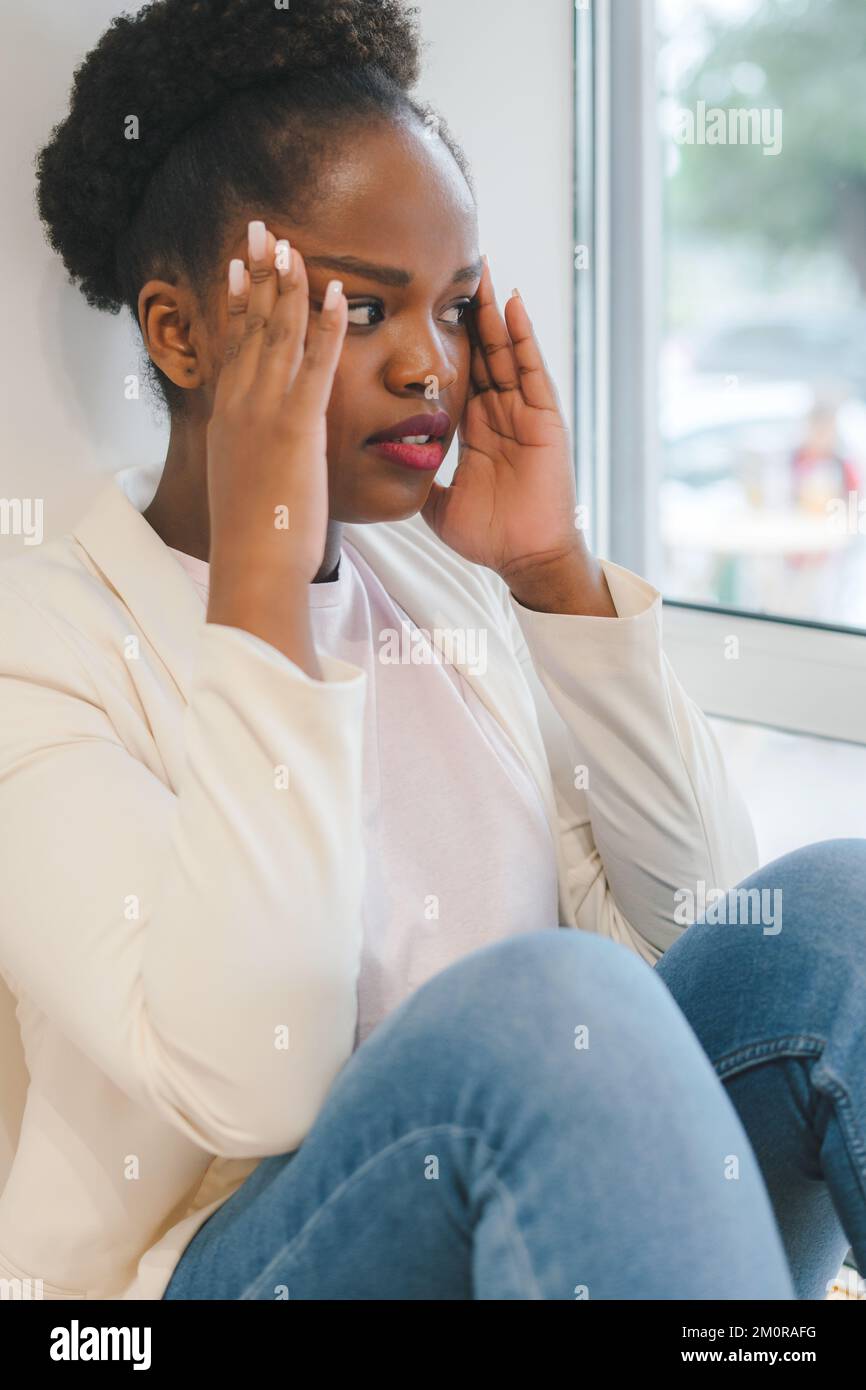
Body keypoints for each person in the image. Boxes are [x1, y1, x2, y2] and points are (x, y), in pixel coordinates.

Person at [0, 0, 862, 1300]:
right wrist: (265, 583)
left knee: (836, 916)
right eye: (361, 308)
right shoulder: (42, 645)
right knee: (544, 1009)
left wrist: (551, 574)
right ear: (180, 334)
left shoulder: (436, 583)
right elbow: (255, 1078)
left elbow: (696, 928)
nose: (431, 369)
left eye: (453, 309)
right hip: (231, 1269)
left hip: (565, 1218)